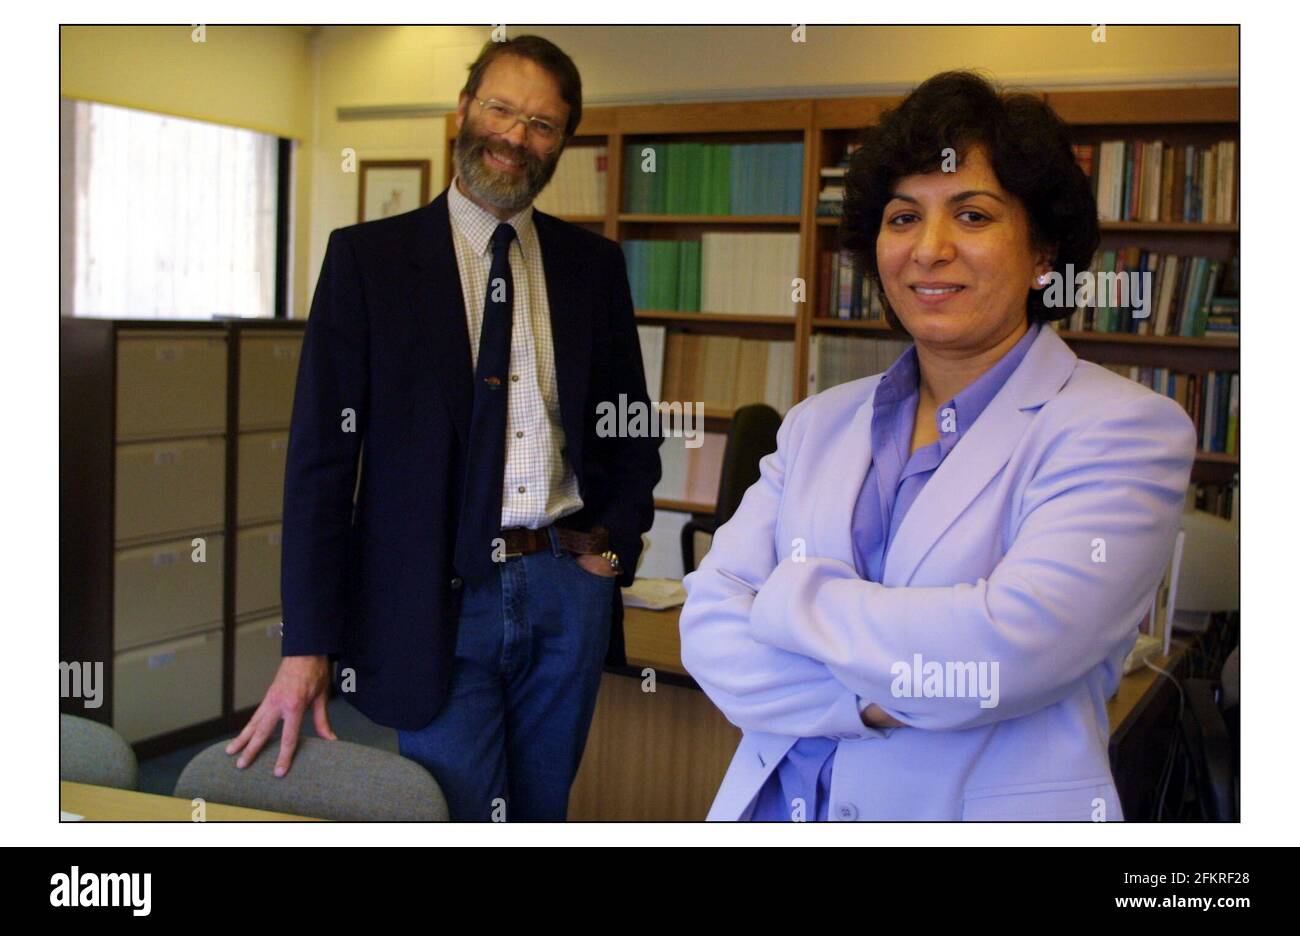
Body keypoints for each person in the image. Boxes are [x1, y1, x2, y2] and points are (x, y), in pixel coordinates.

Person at [679, 70, 1197, 821]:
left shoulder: (1124, 429)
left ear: (1045, 251)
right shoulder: (819, 422)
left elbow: (1004, 650)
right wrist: (879, 692)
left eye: (973, 215)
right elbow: (708, 628)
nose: (930, 249)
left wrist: (787, 600)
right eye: (902, 218)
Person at [226, 35, 661, 821]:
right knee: (455, 815)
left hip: (566, 588)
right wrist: (306, 642)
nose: (515, 137)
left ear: (562, 142)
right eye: (500, 108)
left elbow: (629, 424)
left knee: (542, 813)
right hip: (433, 601)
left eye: (541, 124)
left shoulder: (593, 267)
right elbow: (322, 464)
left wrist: (613, 548)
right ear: (462, 110)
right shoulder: (368, 261)